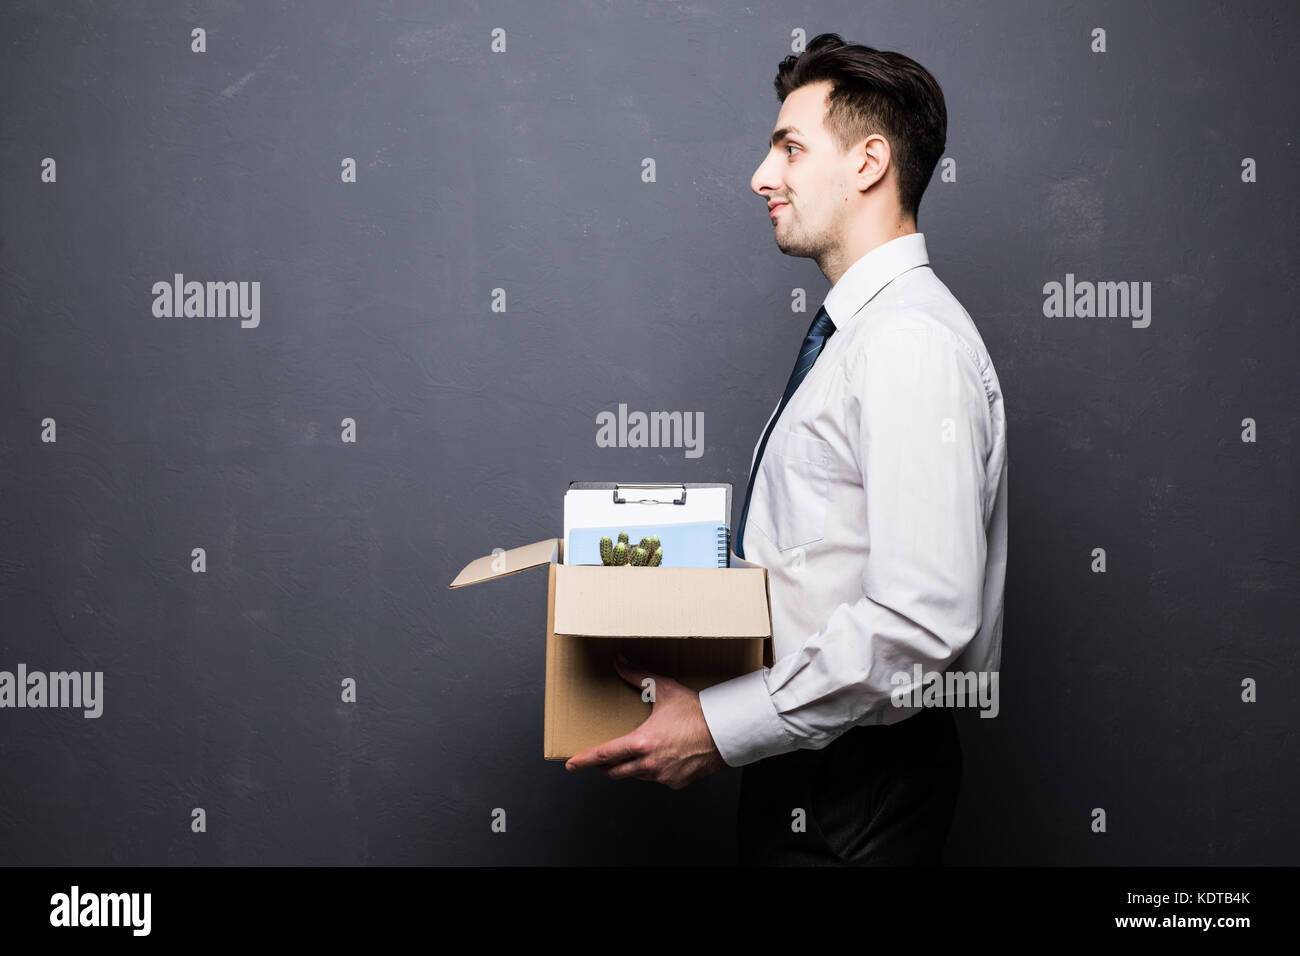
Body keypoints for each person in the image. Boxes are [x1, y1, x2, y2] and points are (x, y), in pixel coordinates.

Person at [566, 33, 1008, 867]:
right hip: (812, 763)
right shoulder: (859, 334)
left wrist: (720, 725)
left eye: (790, 148)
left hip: (857, 788)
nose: (762, 177)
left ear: (870, 161)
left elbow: (920, 622)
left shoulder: (907, 344)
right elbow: (819, 562)